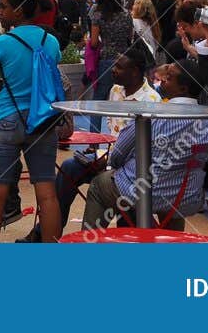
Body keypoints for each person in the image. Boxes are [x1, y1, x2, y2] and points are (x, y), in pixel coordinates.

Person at [78, 62, 208, 231]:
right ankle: (171, 239)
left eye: (168, 78)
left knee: (100, 185)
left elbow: (117, 155)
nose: (162, 79)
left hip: (144, 194)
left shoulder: (152, 115)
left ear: (183, 89)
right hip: (187, 198)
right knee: (171, 202)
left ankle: (87, 241)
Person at [0, 0, 64, 243]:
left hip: (6, 118)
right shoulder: (50, 41)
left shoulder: (1, 43)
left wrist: (1, 84)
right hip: (43, 120)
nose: (0, 12)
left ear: (18, 11)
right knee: (47, 193)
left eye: (3, 7)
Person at [53, 45, 159, 227]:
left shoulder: (152, 100)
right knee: (69, 167)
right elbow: (112, 127)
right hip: (110, 158)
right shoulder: (115, 90)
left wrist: (109, 160)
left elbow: (148, 148)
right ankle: (50, 228)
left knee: (103, 184)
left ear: (134, 71)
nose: (113, 70)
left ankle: (103, 234)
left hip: (133, 168)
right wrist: (105, 155)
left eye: (119, 67)